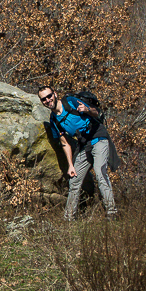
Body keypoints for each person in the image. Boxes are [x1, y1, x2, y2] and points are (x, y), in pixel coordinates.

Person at [38, 85, 117, 220]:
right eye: (43, 99)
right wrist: (70, 165)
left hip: (98, 138)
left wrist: (87, 110)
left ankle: (112, 212)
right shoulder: (54, 120)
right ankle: (69, 218)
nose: (47, 100)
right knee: (74, 180)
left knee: (100, 172)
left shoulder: (71, 102)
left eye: (49, 96)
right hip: (84, 145)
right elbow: (65, 143)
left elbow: (97, 113)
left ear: (55, 94)